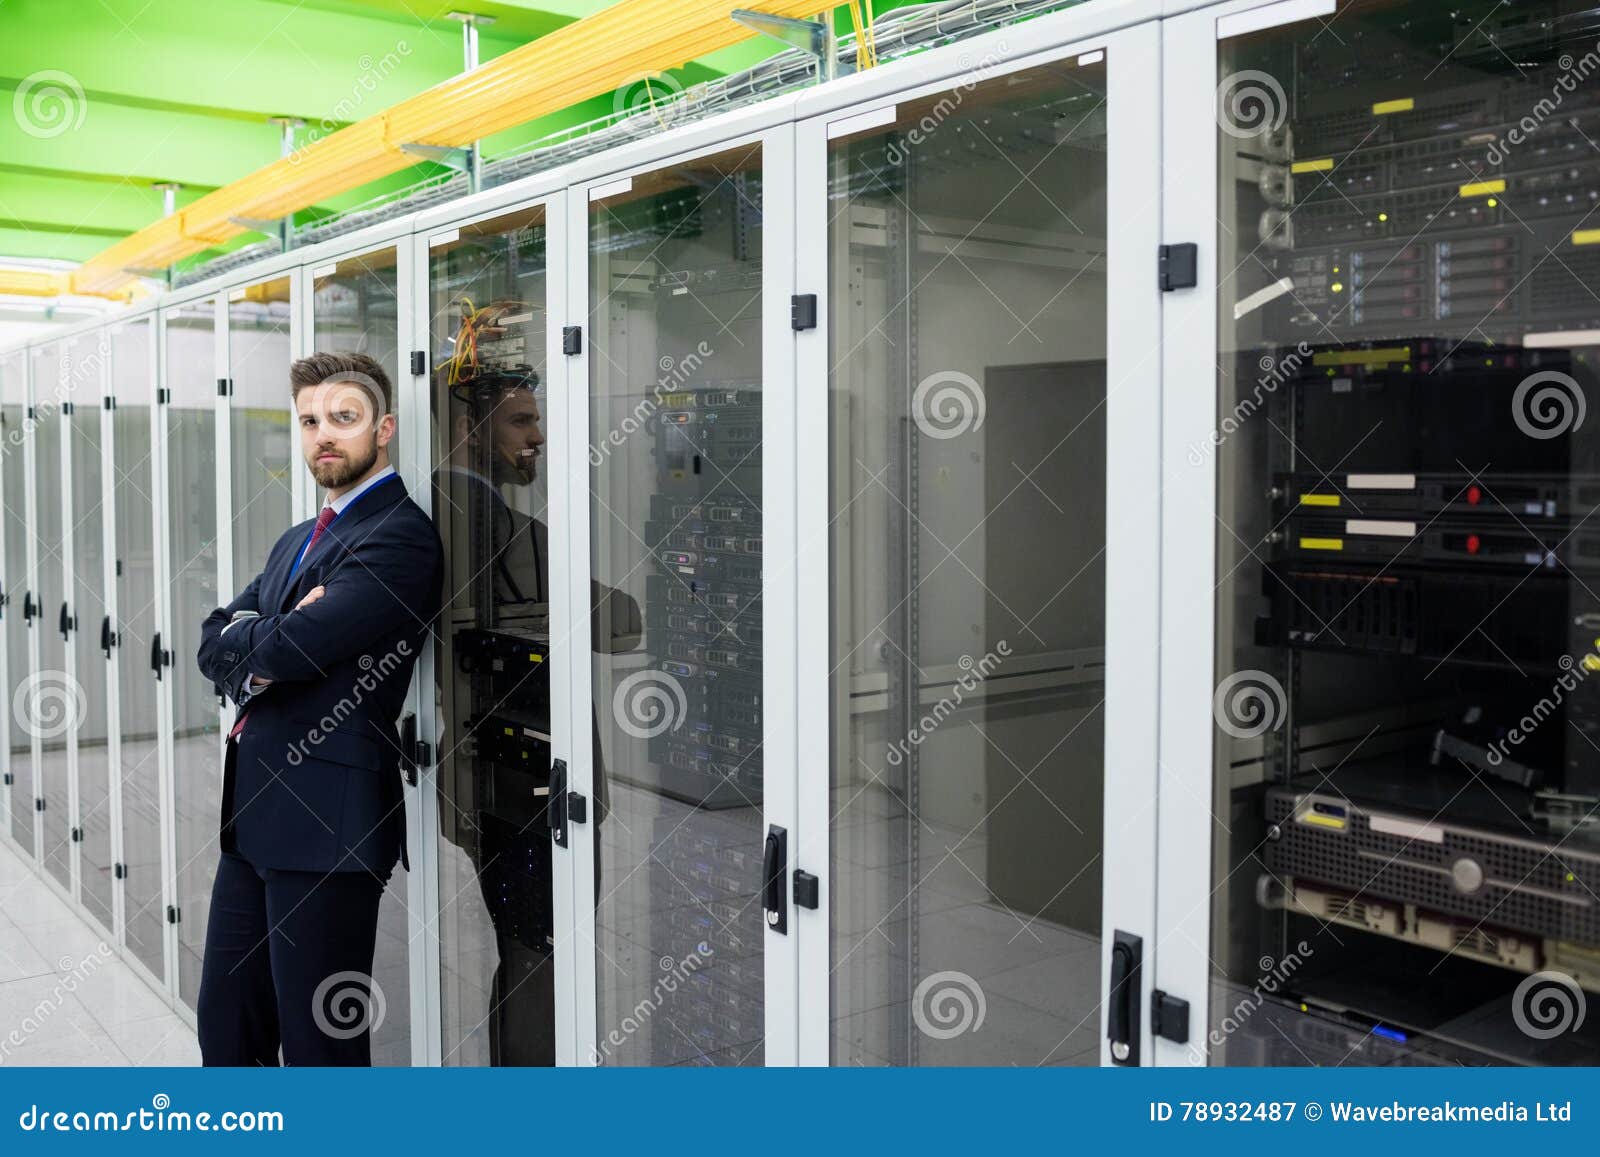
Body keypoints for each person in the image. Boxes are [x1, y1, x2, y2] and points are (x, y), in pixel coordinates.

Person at [194, 351, 443, 1066]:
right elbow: (216, 637)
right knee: (227, 1022)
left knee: (319, 1048)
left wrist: (259, 639)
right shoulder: (297, 539)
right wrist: (254, 637)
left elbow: (290, 650)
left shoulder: (399, 536)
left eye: (343, 418)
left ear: (383, 427)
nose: (323, 436)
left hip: (328, 826)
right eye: (309, 421)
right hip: (254, 821)